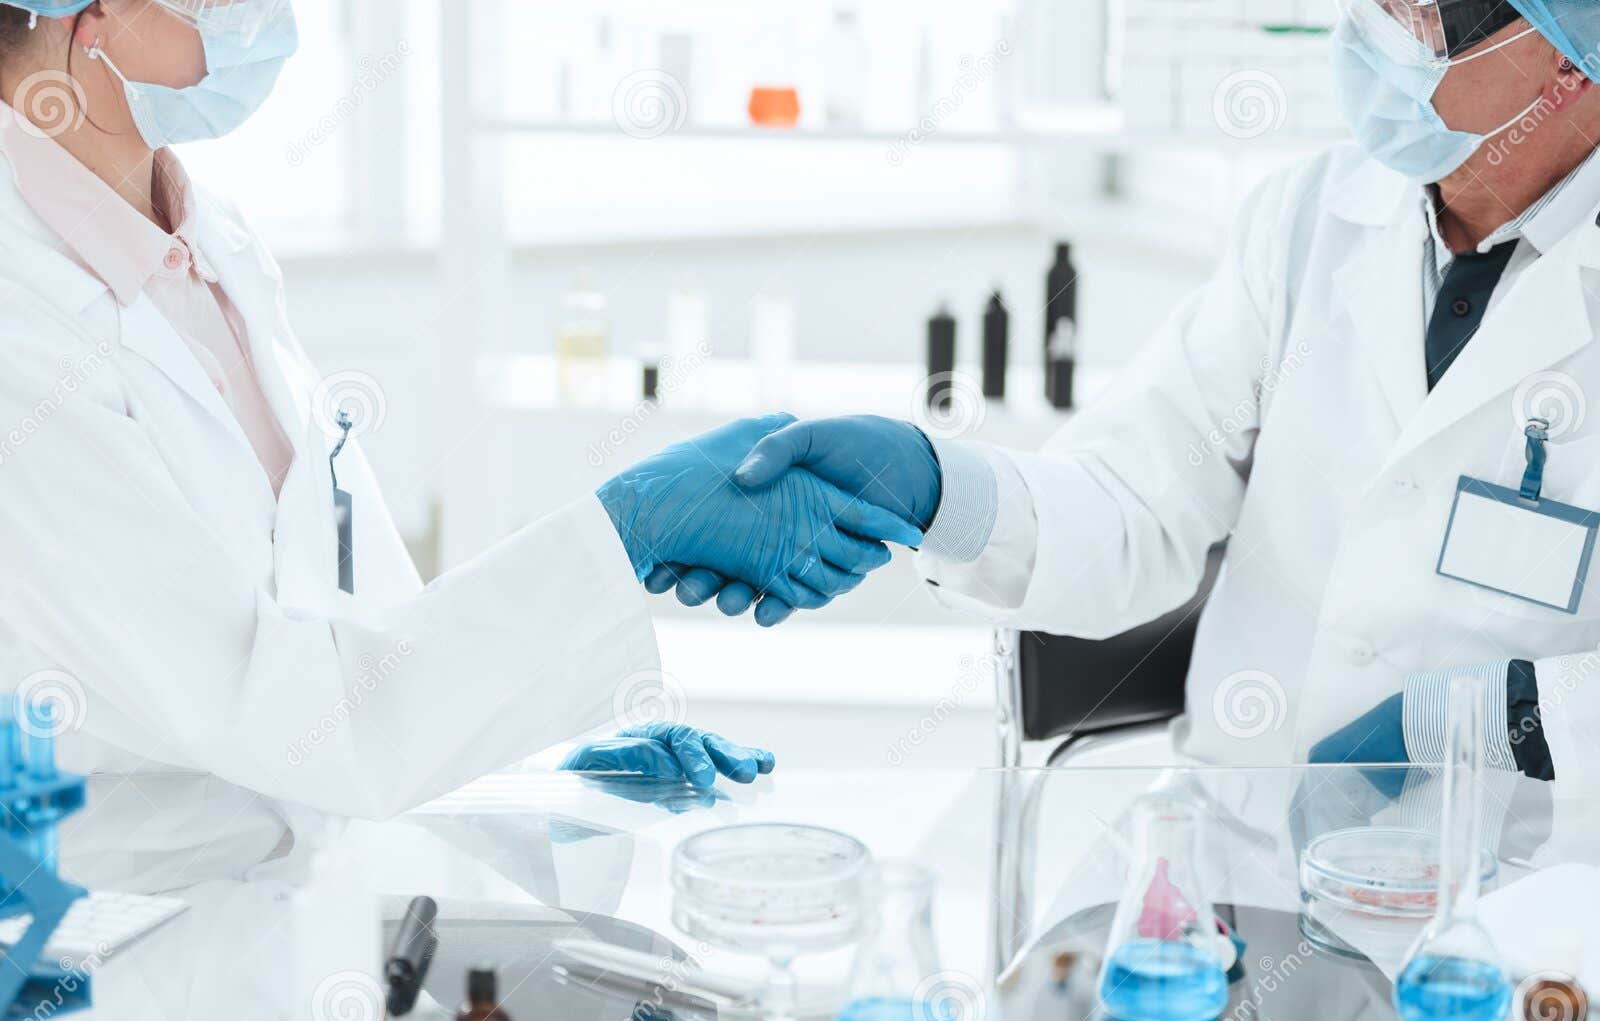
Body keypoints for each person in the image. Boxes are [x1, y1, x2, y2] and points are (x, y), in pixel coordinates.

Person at [0, 0, 923, 898]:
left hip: (295, 909)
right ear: (86, 14)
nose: (262, 15)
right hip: (130, 943)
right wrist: (625, 530)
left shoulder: (208, 244)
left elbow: (360, 638)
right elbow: (269, 704)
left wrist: (532, 779)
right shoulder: (22, 331)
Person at [665, 0, 1600, 809]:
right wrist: (934, 486)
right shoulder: (1306, 220)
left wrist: (1500, 717)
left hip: (1518, 891)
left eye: (1421, 17)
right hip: (1239, 841)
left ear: (1568, 58)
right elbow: (1135, 499)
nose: (1372, 35)